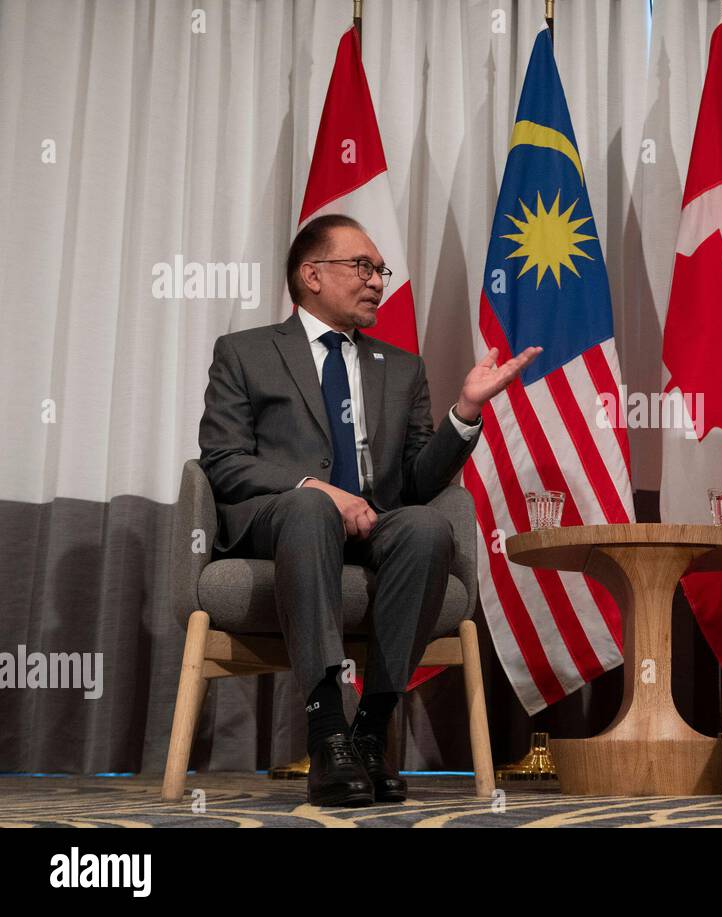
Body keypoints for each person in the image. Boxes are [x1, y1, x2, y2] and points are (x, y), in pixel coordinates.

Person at [198, 214, 539, 806]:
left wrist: (465, 410)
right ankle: (327, 726)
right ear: (311, 274)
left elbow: (417, 481)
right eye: (362, 266)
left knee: (429, 529)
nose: (377, 281)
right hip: (284, 522)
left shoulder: (401, 368)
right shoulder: (245, 353)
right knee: (309, 510)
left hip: (375, 522)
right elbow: (222, 459)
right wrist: (316, 488)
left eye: (380, 270)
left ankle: (372, 728)